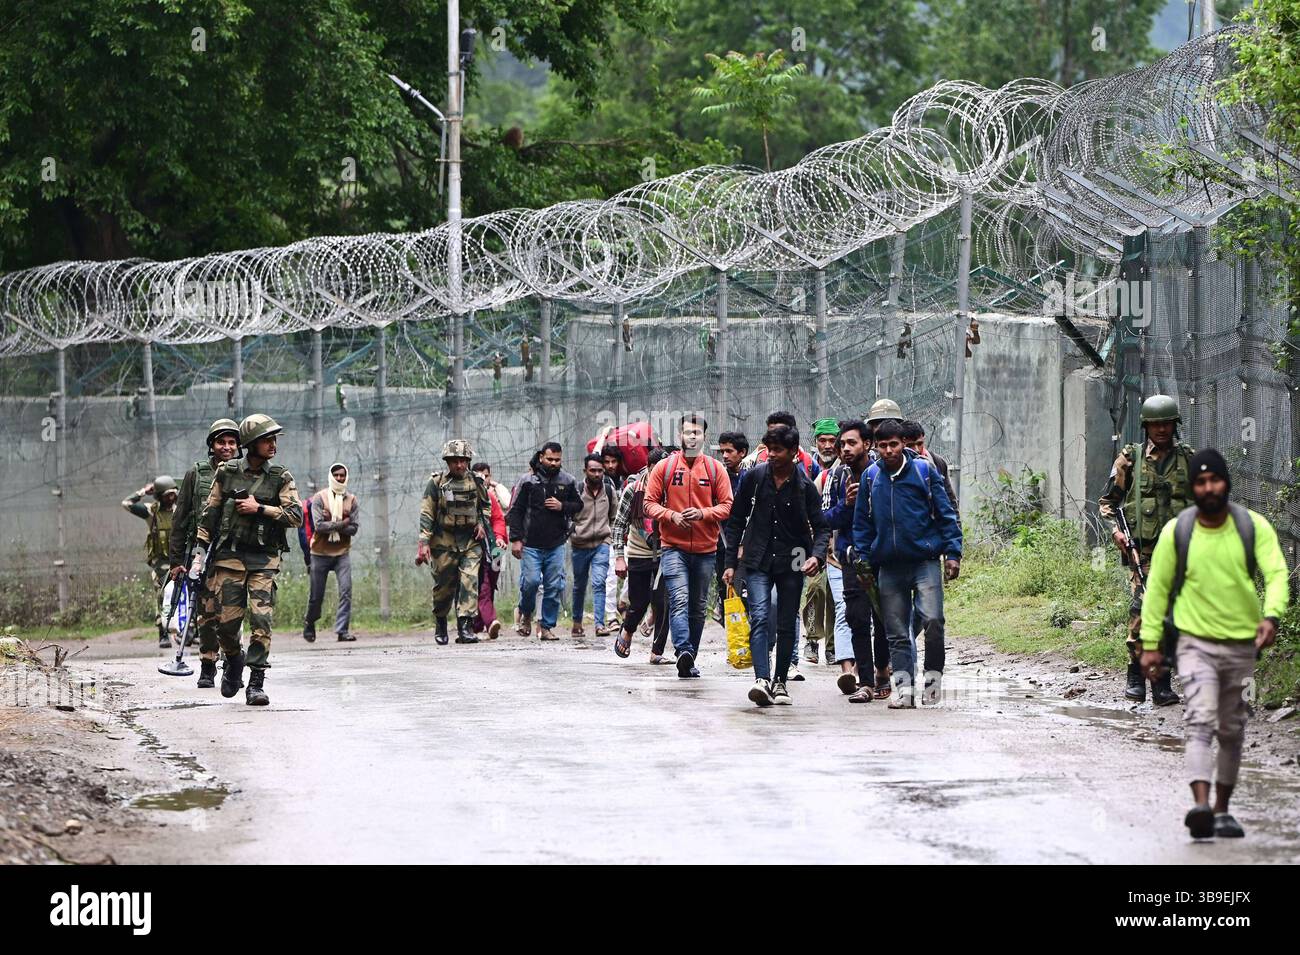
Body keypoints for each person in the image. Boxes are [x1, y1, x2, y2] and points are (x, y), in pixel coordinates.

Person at [1137, 449, 1287, 840]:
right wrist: (1150, 644)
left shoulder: (1251, 526)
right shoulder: (1178, 531)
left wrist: (1271, 617)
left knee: (1232, 728)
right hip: (1193, 644)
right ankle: (1200, 805)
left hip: (1241, 646)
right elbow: (1156, 591)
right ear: (1194, 488)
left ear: (1226, 484)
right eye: (1201, 482)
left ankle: (1222, 810)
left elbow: (1276, 573)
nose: (1208, 488)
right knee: (1200, 719)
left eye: (1215, 480)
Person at [190, 414, 303, 706]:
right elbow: (209, 516)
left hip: (264, 560)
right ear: (252, 444)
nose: (274, 444)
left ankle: (256, 682)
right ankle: (233, 658)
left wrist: (260, 508)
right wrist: (198, 556)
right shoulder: (227, 473)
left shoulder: (280, 476)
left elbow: (296, 516)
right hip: (229, 558)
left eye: (275, 439)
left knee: (261, 620)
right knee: (226, 625)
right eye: (268, 439)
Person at [852, 419, 962, 709]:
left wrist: (953, 553)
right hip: (888, 565)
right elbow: (861, 522)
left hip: (924, 561)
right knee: (896, 632)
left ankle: (933, 681)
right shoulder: (870, 477)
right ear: (875, 447)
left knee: (933, 621)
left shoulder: (924, 472)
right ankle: (905, 690)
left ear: (904, 445)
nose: (888, 451)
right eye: (882, 445)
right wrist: (862, 559)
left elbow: (946, 514)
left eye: (894, 445)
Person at [1098, 393, 1195, 706]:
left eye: (1167, 423)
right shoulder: (1131, 458)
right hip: (1145, 554)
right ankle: (1136, 676)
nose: (1162, 430)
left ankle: (1162, 683)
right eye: (1156, 424)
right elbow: (1108, 503)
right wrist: (1116, 533)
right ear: (1146, 427)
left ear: (1174, 425)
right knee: (1142, 611)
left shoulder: (1189, 459)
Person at [724, 426, 829, 706]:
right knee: (759, 615)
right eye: (769, 449)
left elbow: (821, 528)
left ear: (794, 453)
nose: (771, 455)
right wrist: (730, 563)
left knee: (785, 622)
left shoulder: (805, 486)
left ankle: (780, 682)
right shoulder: (754, 478)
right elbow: (735, 521)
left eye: (778, 450)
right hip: (757, 560)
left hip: (793, 560)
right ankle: (761, 679)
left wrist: (816, 557)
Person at [643, 414, 733, 678]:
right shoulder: (665, 468)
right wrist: (671, 515)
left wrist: (704, 514)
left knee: (698, 606)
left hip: (706, 550)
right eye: (687, 432)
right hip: (674, 548)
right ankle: (683, 650)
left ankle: (689, 658)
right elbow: (649, 504)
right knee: (680, 600)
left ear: (704, 437)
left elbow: (728, 505)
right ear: (679, 436)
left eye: (697, 432)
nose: (692, 436)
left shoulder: (716, 469)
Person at [169, 418, 242, 687]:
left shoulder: (245, 473)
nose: (227, 447)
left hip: (235, 553)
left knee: (232, 613)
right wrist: (177, 561)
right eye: (221, 442)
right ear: (212, 445)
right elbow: (180, 519)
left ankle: (233, 664)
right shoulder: (196, 474)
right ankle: (208, 665)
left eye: (232, 442)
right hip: (201, 552)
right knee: (206, 612)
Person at [822, 419, 889, 701]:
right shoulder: (836, 478)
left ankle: (883, 671)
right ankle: (865, 682)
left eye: (852, 443)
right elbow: (824, 519)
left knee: (884, 617)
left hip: (884, 556)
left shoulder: (883, 472)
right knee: (856, 617)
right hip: (851, 558)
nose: (845, 449)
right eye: (842, 444)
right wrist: (847, 504)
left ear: (867, 444)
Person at [417, 440, 493, 645]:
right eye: (454, 461)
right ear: (447, 461)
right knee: (444, 586)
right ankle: (441, 621)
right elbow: (427, 512)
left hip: (470, 541)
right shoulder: (437, 483)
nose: (459, 465)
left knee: (470, 580)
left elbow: (486, 506)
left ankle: (465, 627)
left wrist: (481, 524)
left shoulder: (477, 481)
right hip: (444, 541)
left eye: (463, 461)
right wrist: (423, 542)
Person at [508, 441, 583, 641]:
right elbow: (515, 512)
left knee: (553, 586)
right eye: (550, 459)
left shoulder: (568, 480)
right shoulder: (527, 481)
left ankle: (547, 626)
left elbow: (578, 505)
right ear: (541, 457)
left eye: (557, 460)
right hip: (530, 544)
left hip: (556, 544)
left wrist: (562, 506)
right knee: (531, 582)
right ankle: (525, 612)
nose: (553, 463)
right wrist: (516, 539)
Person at [611, 446, 673, 662]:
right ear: (648, 468)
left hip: (666, 551)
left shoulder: (673, 489)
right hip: (639, 552)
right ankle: (627, 630)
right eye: (656, 472)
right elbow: (619, 525)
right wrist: (620, 557)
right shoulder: (633, 490)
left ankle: (657, 653)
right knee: (639, 603)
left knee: (663, 601)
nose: (661, 477)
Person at [303, 462, 360, 643]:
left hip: (342, 552)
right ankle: (310, 622)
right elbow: (319, 525)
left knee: (346, 591)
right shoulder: (320, 498)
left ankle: (342, 631)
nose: (339, 478)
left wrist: (338, 526)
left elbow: (354, 528)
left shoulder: (351, 499)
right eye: (336, 475)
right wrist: (342, 523)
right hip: (319, 553)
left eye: (342, 475)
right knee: (316, 595)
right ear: (331, 476)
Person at [800, 417, 842, 663]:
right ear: (815, 441)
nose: (827, 445)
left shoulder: (843, 469)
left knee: (836, 595)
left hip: (838, 545)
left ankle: (833, 645)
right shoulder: (808, 468)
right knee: (815, 589)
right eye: (822, 440)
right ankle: (812, 641)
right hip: (814, 545)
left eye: (831, 440)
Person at [123, 475, 180, 648]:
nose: (171, 498)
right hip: (161, 563)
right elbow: (127, 504)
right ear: (159, 496)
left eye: (173, 494)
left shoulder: (180, 511)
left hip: (180, 560)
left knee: (184, 595)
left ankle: (187, 631)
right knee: (162, 596)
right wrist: (143, 492)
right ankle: (162, 633)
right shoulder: (151, 511)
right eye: (167, 495)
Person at [570, 453, 617, 637]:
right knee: (579, 585)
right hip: (580, 544)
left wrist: (610, 535)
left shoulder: (609, 489)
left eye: (600, 470)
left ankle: (599, 624)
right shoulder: (577, 490)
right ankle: (577, 622)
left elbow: (614, 515)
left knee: (599, 582)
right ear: (585, 471)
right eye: (593, 470)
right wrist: (573, 532)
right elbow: (568, 515)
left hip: (601, 543)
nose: (597, 474)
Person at [713, 431, 748, 625]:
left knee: (745, 593)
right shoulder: (717, 477)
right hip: (721, 545)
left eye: (729, 451)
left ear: (742, 452)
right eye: (722, 451)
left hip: (745, 547)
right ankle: (735, 646)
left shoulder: (750, 478)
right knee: (726, 591)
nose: (725, 456)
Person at [471, 462, 509, 640]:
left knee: (490, 585)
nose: (482, 479)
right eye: (478, 476)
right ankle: (490, 621)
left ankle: (478, 626)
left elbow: (498, 519)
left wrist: (500, 537)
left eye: (486, 476)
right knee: (483, 586)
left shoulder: (490, 497)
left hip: (493, 550)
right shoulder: (467, 497)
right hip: (474, 550)